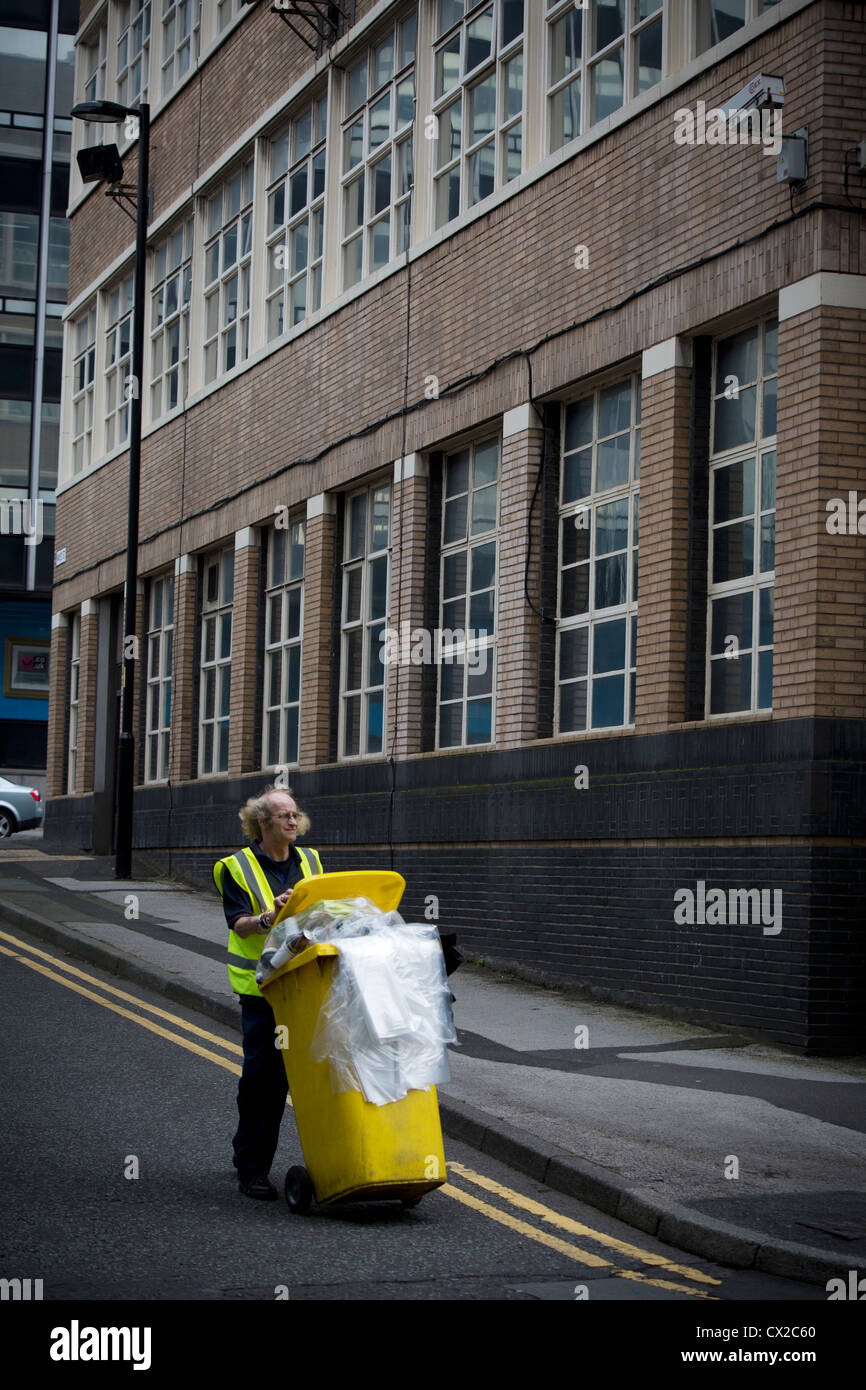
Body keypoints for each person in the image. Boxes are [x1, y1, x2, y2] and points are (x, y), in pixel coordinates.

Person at [213, 786, 323, 1200]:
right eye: (284, 816)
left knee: (315, 1076)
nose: (293, 822)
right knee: (265, 1081)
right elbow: (239, 924)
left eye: (295, 815)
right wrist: (268, 917)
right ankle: (252, 1168)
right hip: (262, 989)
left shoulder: (311, 860)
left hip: (307, 983)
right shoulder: (234, 867)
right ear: (263, 822)